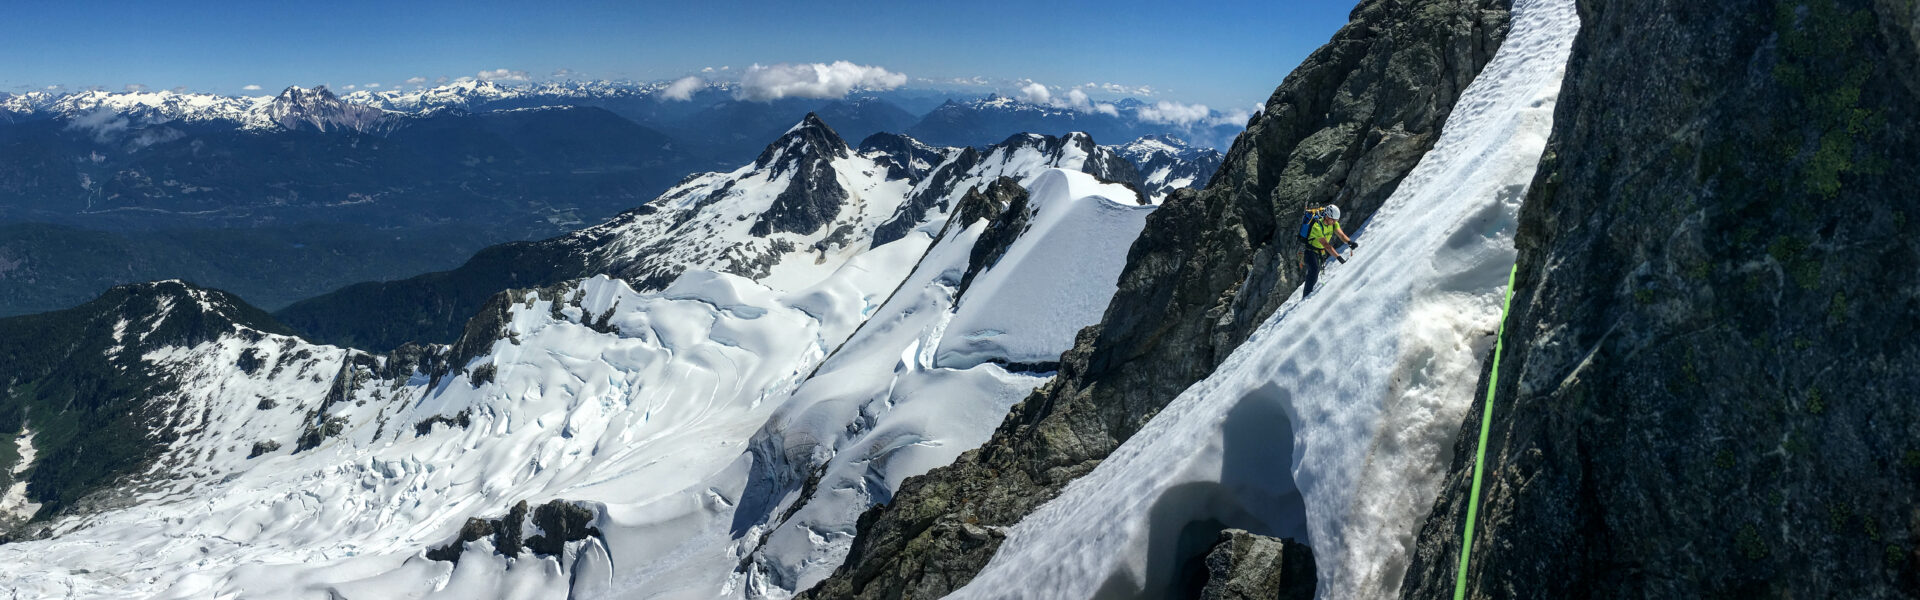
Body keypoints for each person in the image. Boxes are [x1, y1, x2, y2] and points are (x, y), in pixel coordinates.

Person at [1301, 205, 1354, 297]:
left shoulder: (1333, 223)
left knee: (1316, 272)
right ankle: (1306, 296)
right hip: (1310, 252)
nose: (1334, 222)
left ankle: (1310, 294)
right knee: (1313, 271)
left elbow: (1341, 235)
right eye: (1333, 220)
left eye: (1336, 220)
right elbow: (1326, 245)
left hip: (1320, 252)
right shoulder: (1316, 226)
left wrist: (1350, 242)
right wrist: (1339, 258)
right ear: (1327, 216)